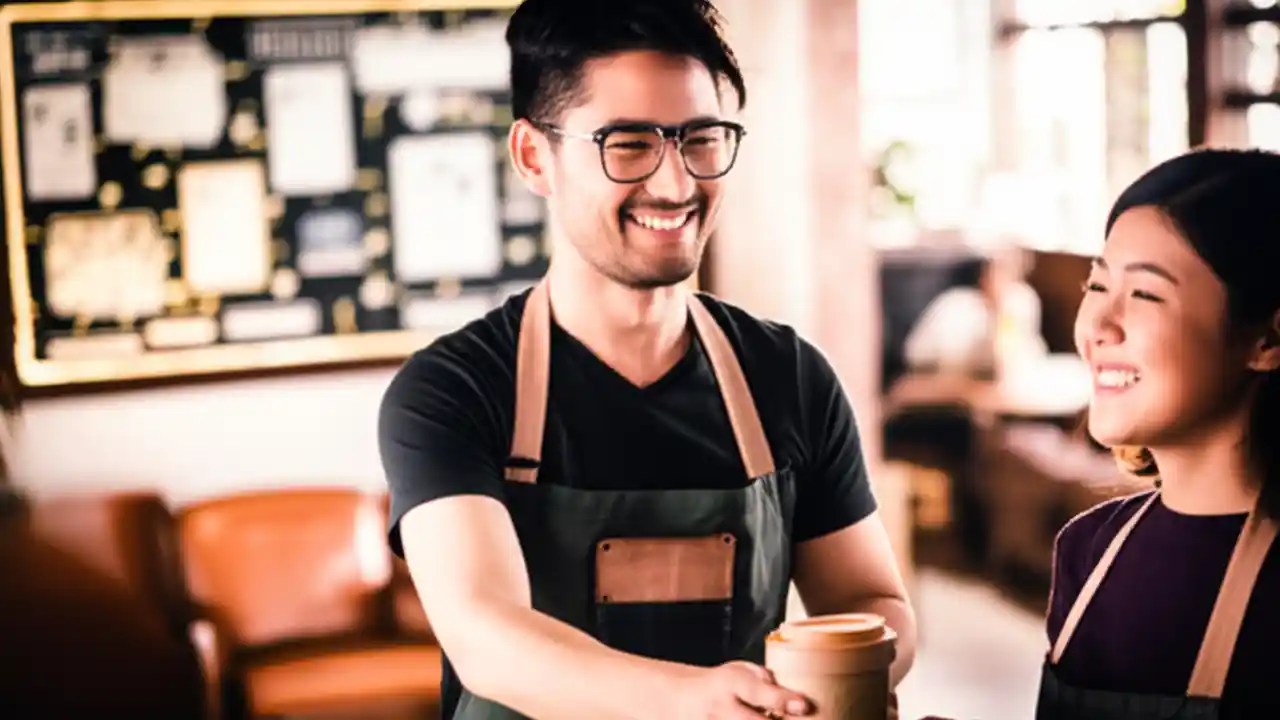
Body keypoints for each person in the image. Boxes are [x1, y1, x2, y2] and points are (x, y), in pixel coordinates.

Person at [378, 0, 917, 718]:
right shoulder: (454, 391)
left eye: (700, 138)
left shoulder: (788, 377)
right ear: (534, 156)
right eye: (629, 144)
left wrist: (836, 685)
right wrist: (694, 702)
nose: (675, 183)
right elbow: (485, 636)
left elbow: (869, 601)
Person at [1038, 148, 1280, 719]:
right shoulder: (1087, 551)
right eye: (1096, 287)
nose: (1098, 326)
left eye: (1145, 294)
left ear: (1267, 341)